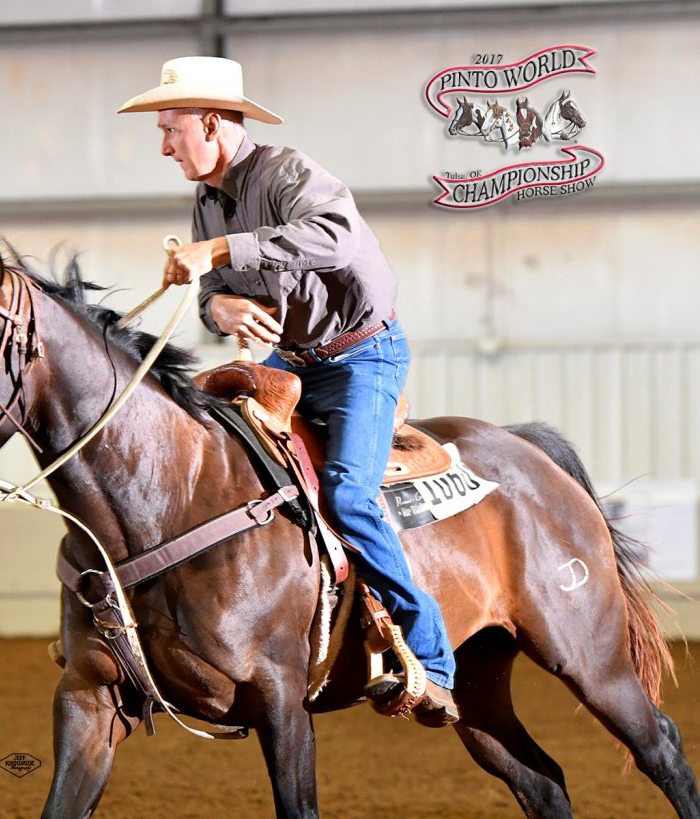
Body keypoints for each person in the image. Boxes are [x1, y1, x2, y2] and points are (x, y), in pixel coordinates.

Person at [118, 56, 458, 726]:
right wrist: (223, 310)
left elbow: (335, 237)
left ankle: (432, 656)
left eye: (170, 130)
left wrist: (219, 254)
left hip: (364, 354)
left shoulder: (288, 172)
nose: (163, 145)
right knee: (214, 453)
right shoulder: (208, 201)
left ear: (211, 124)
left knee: (350, 492)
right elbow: (217, 296)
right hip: (295, 358)